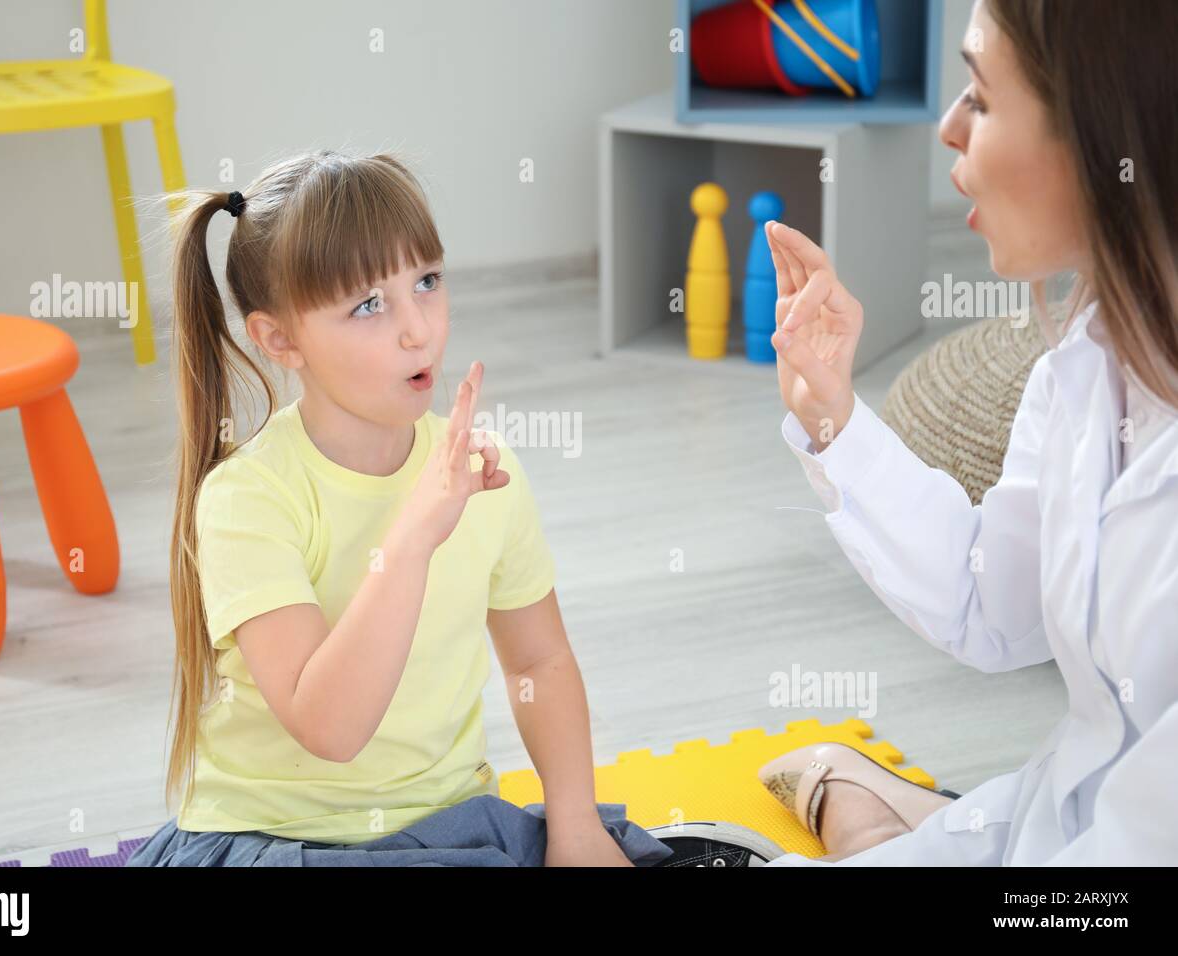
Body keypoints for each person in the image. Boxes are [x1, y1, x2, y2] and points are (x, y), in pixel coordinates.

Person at [127, 149, 776, 866]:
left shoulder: (487, 473)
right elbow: (330, 728)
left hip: (445, 825)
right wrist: (411, 538)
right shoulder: (248, 497)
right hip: (283, 840)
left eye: (427, 281)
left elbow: (541, 657)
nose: (418, 329)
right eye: (369, 305)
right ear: (280, 339)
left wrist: (574, 824)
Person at [757, 0, 1178, 865]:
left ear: (1104, 132)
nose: (948, 128)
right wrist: (831, 416)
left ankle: (874, 806)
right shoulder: (1093, 357)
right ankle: (882, 808)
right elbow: (995, 603)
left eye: (980, 100)